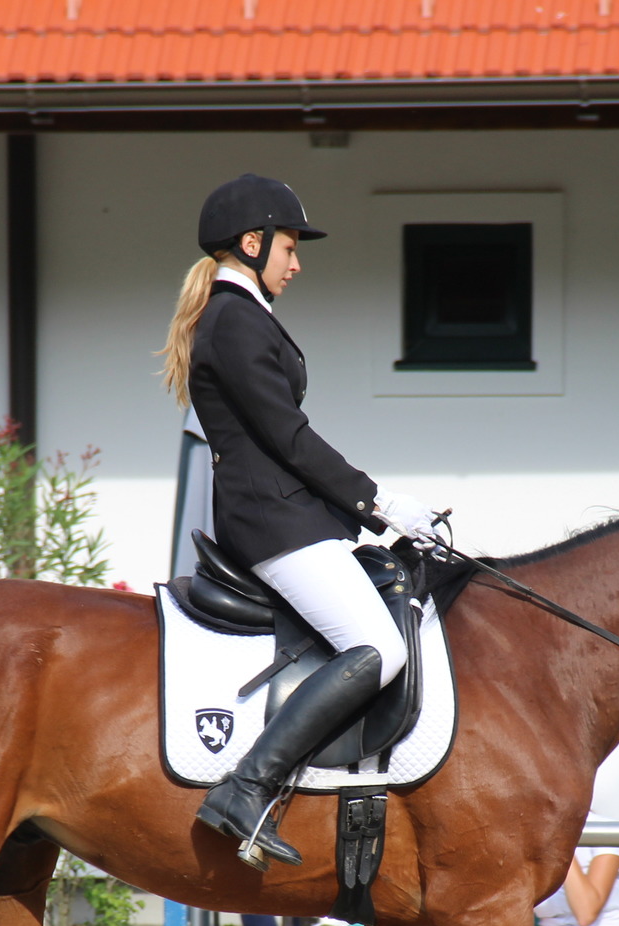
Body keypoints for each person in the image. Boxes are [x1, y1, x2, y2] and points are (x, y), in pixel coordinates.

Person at [157, 173, 439, 868]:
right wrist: (377, 502)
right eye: (289, 247)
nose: (297, 262)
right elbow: (288, 438)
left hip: (287, 515)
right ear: (252, 244)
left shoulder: (240, 315)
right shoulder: (235, 320)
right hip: (273, 524)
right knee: (379, 648)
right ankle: (247, 788)